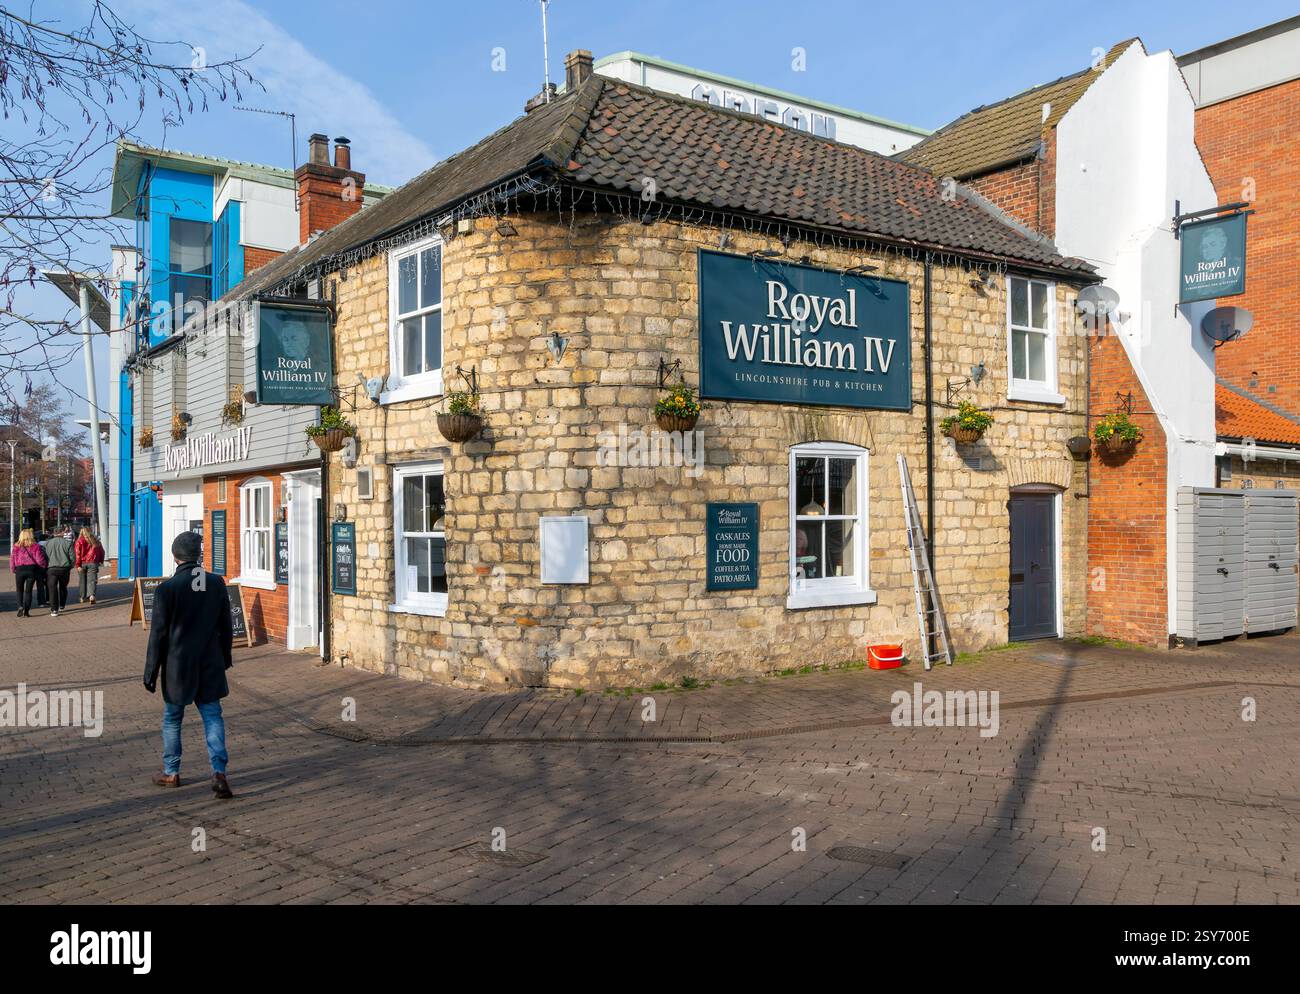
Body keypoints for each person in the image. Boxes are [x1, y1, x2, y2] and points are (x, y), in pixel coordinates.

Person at [143, 531, 235, 798]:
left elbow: (158, 635)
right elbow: (226, 626)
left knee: (172, 718)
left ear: (175, 557)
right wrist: (225, 658)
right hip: (209, 662)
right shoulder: (217, 583)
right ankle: (219, 772)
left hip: (177, 665)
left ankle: (171, 772)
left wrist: (151, 671)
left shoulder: (166, 589)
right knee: (213, 717)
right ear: (198, 555)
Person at [9, 528, 47, 617]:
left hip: (19, 569)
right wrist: (43, 567)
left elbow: (12, 559)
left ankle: (20, 606)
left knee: (19, 590)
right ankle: (26, 611)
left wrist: (13, 569)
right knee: (28, 591)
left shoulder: (16, 546)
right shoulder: (35, 546)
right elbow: (40, 560)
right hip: (31, 569)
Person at [43, 527, 74, 616]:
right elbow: (72, 557)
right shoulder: (68, 543)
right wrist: (70, 566)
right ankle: (62, 604)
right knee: (63, 587)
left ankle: (54, 610)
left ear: (54, 533)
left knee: (52, 589)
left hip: (51, 569)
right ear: (61, 533)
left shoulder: (47, 543)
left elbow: (44, 557)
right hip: (64, 568)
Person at [75, 527, 105, 604]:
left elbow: (77, 554)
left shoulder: (79, 541)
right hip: (93, 562)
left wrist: (78, 565)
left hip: (82, 563)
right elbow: (102, 551)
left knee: (82, 581)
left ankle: (82, 597)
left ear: (81, 533)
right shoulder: (96, 541)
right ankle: (91, 596)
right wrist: (101, 560)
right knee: (92, 580)